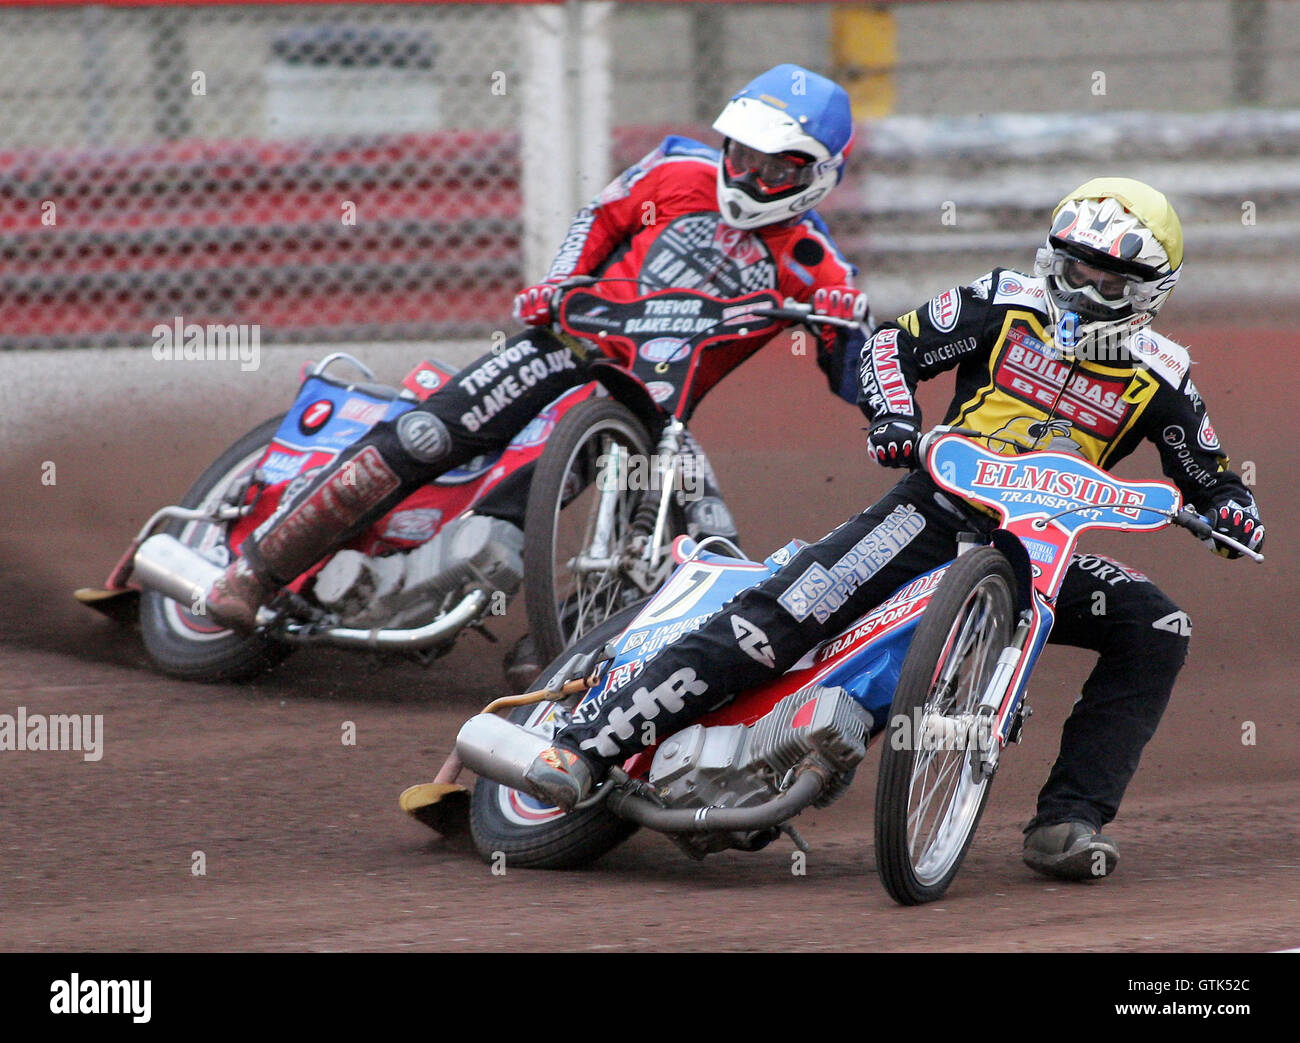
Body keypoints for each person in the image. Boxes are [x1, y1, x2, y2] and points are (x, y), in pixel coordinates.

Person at [511, 177, 1266, 882]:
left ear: (1148, 294)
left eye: (1109, 281)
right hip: (932, 512)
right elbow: (888, 346)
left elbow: (1212, 476)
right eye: (1073, 268)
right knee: (778, 617)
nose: (1084, 289)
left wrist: (1233, 511)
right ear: (1051, 258)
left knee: (1157, 624)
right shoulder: (1002, 300)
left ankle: (1067, 821)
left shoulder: (1163, 376)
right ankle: (584, 745)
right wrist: (894, 416)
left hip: (1046, 552)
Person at [201, 64, 873, 662]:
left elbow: (857, 375)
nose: (750, 177)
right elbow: (601, 218)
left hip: (655, 411)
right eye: (741, 153)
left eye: (775, 168)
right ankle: (254, 572)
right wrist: (560, 281)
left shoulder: (815, 263)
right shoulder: (675, 171)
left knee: (713, 544)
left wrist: (852, 328)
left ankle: (576, 653)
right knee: (427, 434)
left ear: (818, 175)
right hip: (570, 343)